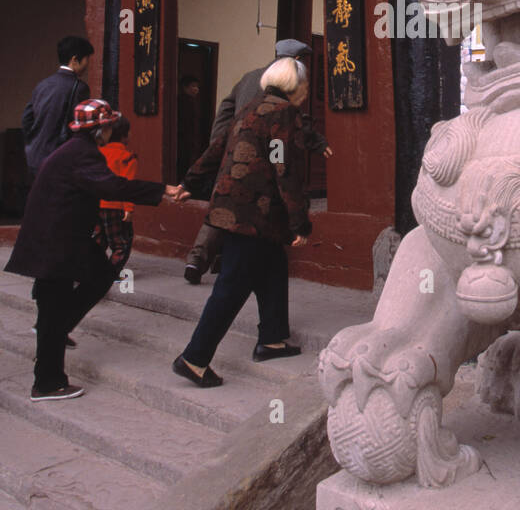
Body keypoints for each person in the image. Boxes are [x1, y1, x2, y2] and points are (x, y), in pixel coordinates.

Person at [6, 100, 187, 401]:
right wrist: (162, 190)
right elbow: (113, 188)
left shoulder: (73, 150)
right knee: (57, 306)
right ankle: (48, 383)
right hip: (56, 243)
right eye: (109, 126)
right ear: (102, 128)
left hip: (57, 238)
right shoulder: (83, 155)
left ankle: (57, 329)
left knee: (96, 277)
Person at [173, 57, 311, 387]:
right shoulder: (283, 113)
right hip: (255, 214)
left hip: (235, 208)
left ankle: (272, 340)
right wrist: (300, 223)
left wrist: (190, 181)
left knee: (273, 267)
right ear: (295, 86)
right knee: (232, 285)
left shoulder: (252, 106)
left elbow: (218, 146)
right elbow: (283, 168)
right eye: (305, 85)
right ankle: (195, 357)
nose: (307, 92)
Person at [183, 38, 332, 284]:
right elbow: (282, 152)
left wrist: (220, 143)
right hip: (261, 167)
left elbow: (226, 110)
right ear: (294, 62)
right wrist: (299, 222)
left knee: (223, 208)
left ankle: (198, 260)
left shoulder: (250, 77)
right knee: (248, 217)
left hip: (233, 155)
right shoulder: (282, 91)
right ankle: (224, 265)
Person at [21, 35, 94, 182]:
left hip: (35, 157)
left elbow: (26, 119)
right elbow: (80, 125)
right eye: (87, 59)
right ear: (75, 59)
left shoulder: (42, 85)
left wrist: (35, 141)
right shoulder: (79, 88)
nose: (88, 64)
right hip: (58, 159)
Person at [93, 115, 137, 274]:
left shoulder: (98, 153)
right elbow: (128, 186)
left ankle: (90, 268)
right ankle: (110, 272)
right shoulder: (127, 157)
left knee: (98, 240)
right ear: (125, 136)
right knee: (121, 244)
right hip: (116, 207)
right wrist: (129, 209)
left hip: (97, 204)